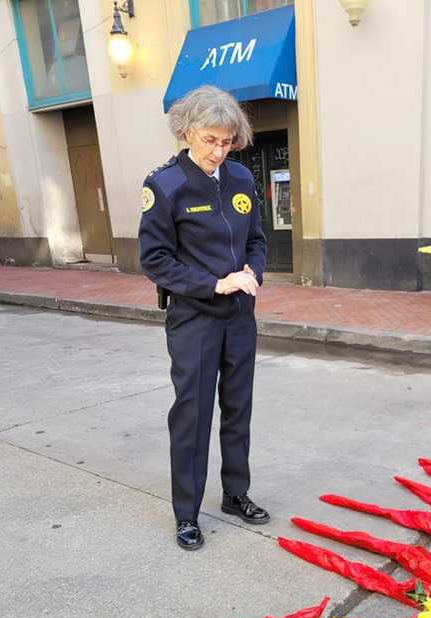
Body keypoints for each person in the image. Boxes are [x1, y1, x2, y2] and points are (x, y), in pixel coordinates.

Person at [139, 85, 269, 550]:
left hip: (239, 316)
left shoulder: (240, 179)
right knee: (192, 415)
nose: (219, 150)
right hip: (195, 318)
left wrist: (253, 270)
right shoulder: (165, 185)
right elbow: (154, 260)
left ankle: (236, 493)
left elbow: (256, 238)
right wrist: (213, 284)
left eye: (227, 141)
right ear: (187, 131)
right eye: (211, 139)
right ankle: (186, 514)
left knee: (238, 409)